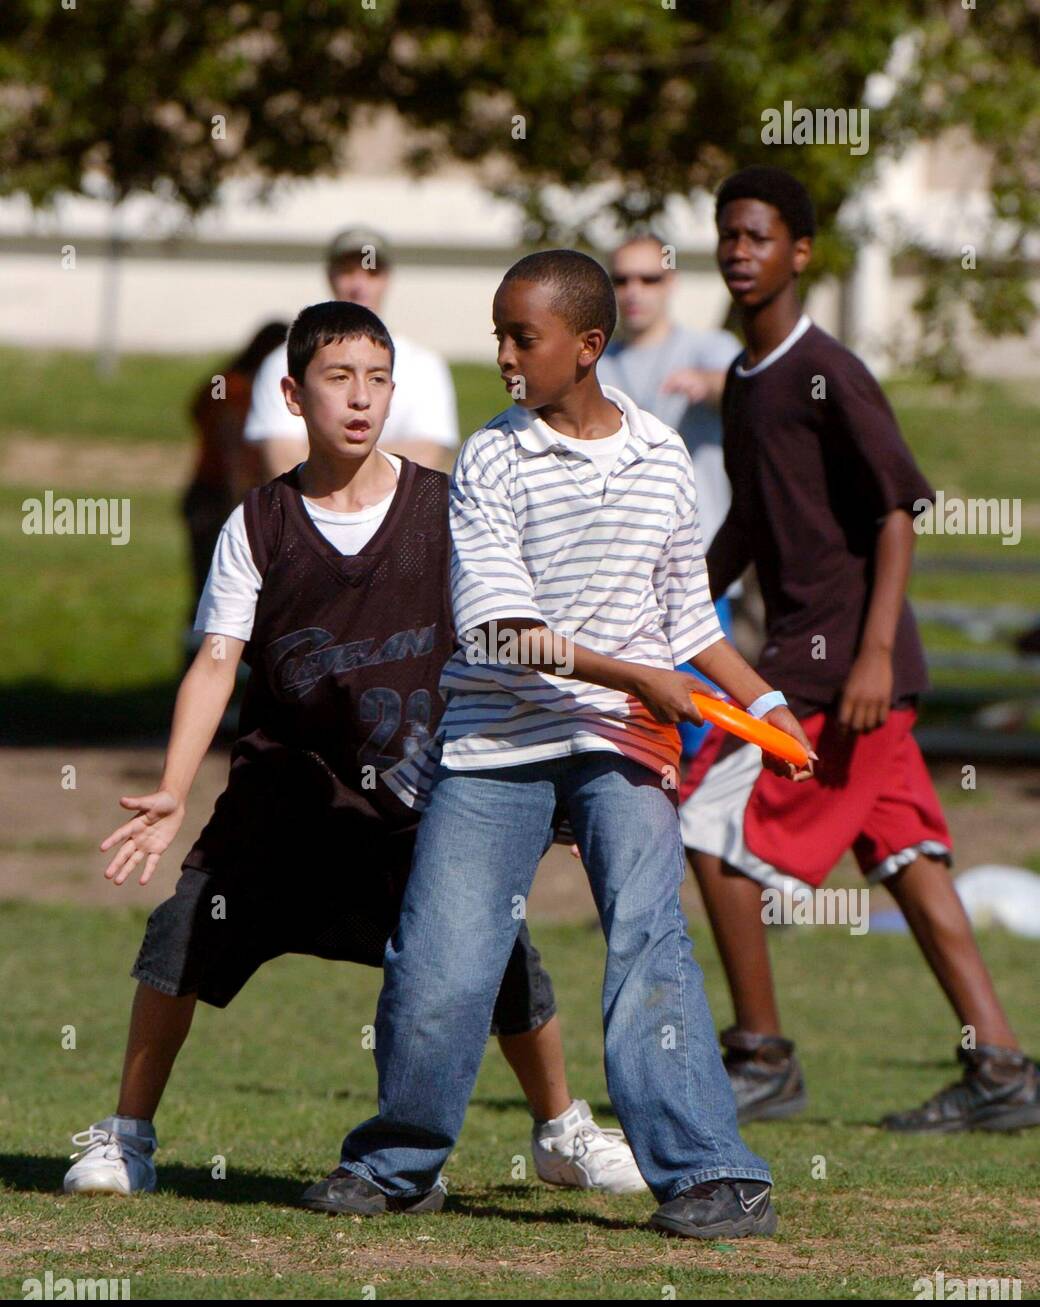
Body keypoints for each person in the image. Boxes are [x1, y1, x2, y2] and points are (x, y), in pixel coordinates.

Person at [62, 302, 644, 1200]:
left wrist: (552, 769)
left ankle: (562, 1131)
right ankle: (127, 1137)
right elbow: (216, 663)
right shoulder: (258, 524)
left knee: (505, 957)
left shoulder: (448, 512)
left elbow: (510, 638)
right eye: (339, 378)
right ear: (293, 395)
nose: (361, 398)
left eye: (377, 378)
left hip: (418, 808)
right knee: (180, 937)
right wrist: (175, 790)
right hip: (282, 807)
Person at [300, 251, 816, 1239]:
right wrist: (639, 681)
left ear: (586, 347)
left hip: (621, 741)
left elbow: (688, 625)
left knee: (648, 943)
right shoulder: (492, 460)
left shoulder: (661, 456)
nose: (500, 354)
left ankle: (711, 1171)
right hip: (497, 738)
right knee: (443, 957)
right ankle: (397, 1161)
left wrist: (769, 703)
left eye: (519, 336)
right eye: (496, 332)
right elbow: (498, 628)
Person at [680, 166, 1040, 1132]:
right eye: (728, 235)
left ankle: (762, 1056)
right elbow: (751, 525)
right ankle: (1002, 1070)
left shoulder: (825, 367)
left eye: (759, 237)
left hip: (842, 673)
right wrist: (673, 601)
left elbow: (898, 508)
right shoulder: (747, 381)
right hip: (817, 660)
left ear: (801, 253)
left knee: (712, 833)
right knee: (913, 862)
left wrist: (875, 653)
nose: (739, 252)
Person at [600, 234, 742, 758]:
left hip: (696, 580)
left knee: (705, 723)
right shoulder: (597, 360)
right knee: (629, 733)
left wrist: (711, 383)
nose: (634, 290)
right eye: (622, 279)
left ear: (672, 282)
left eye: (649, 278)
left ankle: (701, 834)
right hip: (617, 582)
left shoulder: (706, 348)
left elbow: (746, 379)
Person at [244, 228, 458, 477]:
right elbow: (282, 460)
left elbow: (426, 459)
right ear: (329, 276)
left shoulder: (425, 366)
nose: (359, 285)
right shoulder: (281, 362)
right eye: (347, 272)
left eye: (371, 273)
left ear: (387, 279)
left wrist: (324, 455)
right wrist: (383, 460)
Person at [181, 319, 287, 632]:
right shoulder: (239, 388)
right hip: (220, 495)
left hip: (212, 492)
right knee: (218, 586)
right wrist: (238, 503)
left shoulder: (227, 380)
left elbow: (195, 410)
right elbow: (232, 450)